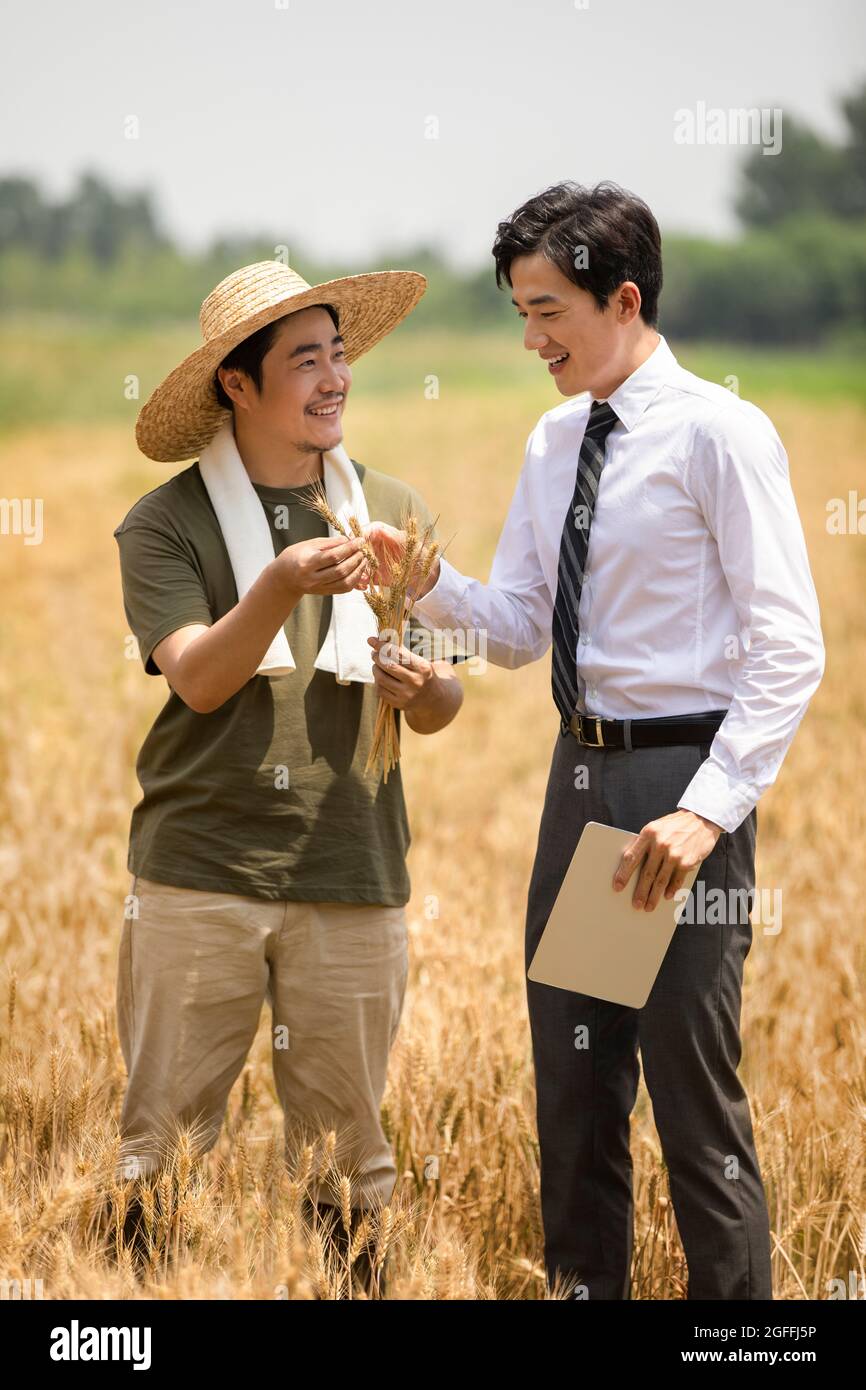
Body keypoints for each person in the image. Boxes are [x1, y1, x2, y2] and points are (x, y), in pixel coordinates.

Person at [364, 181, 825, 1300]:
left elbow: (789, 647)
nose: (529, 338)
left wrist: (703, 811)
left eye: (545, 311)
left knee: (691, 1099)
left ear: (622, 298)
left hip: (677, 788)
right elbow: (521, 627)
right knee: (575, 1099)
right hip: (582, 784)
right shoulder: (554, 436)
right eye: (518, 312)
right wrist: (424, 588)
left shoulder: (720, 432)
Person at [112, 259, 465, 1289]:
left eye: (339, 352)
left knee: (349, 1161)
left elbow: (447, 702)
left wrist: (421, 691)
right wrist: (275, 582)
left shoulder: (390, 509)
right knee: (162, 1150)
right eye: (304, 359)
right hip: (197, 872)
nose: (334, 377)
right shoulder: (163, 523)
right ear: (237, 384)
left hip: (353, 871)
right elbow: (201, 679)